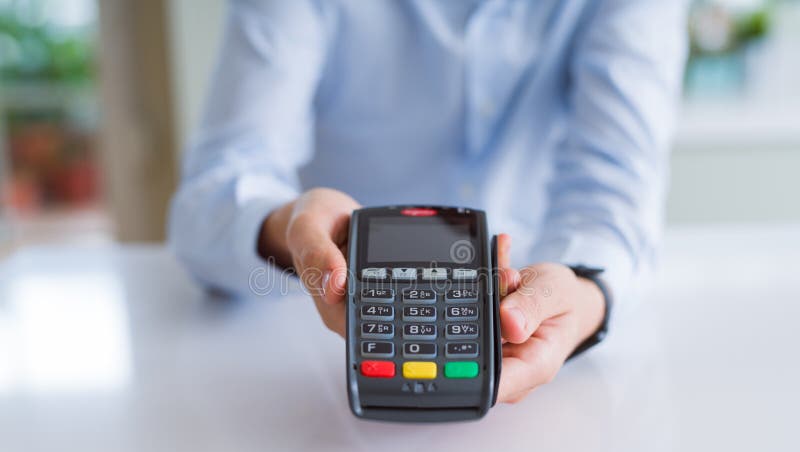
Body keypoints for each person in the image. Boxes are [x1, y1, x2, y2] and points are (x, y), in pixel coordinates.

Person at [169, 0, 688, 403]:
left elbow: (613, 189)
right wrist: (290, 231)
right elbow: (211, 197)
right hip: (314, 317)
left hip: (524, 296)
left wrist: (584, 292)